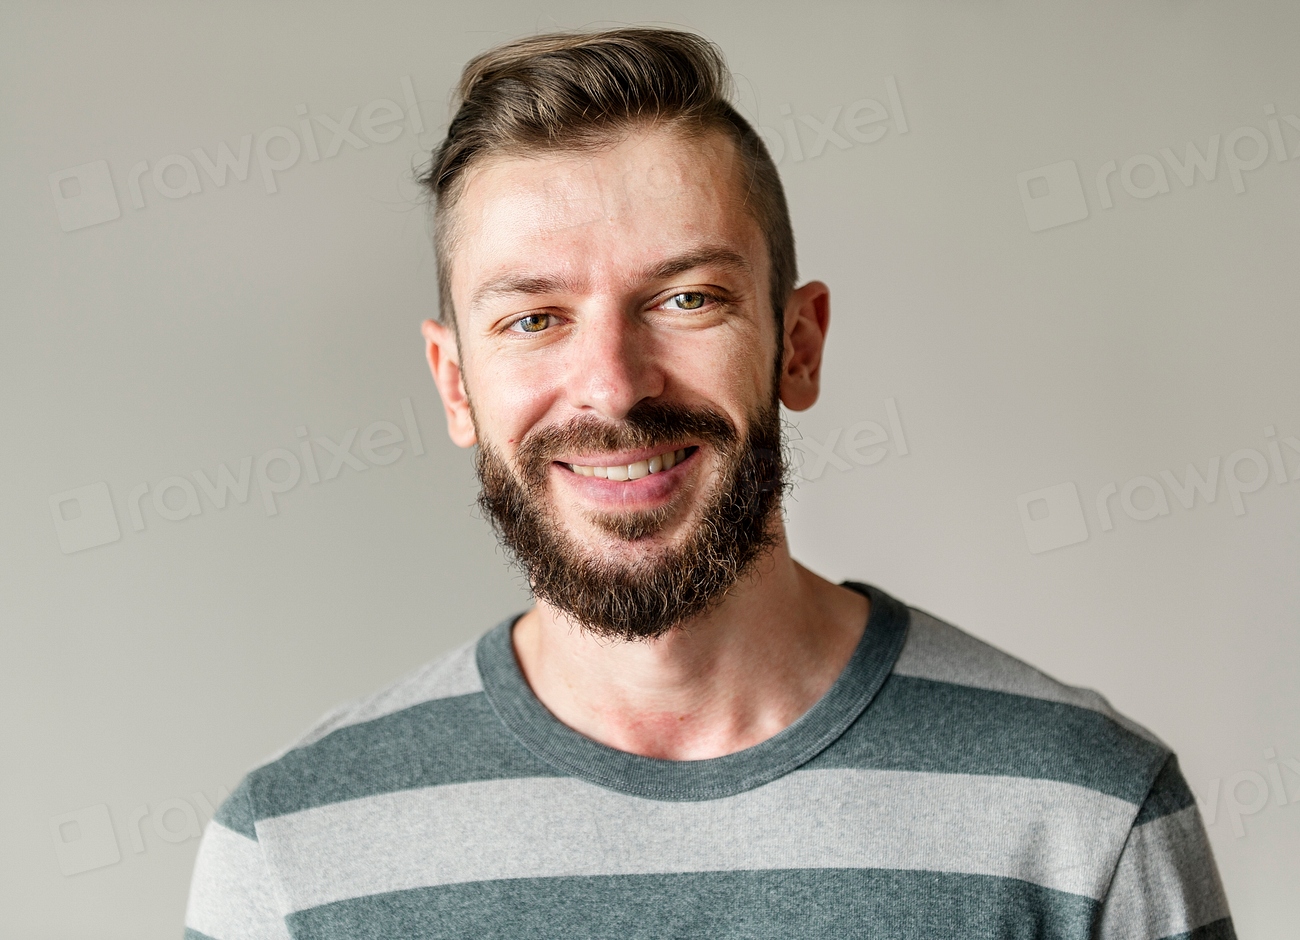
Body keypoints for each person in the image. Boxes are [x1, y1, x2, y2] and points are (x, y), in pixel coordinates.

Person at [184, 28, 1234, 940]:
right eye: (533, 318)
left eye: (686, 299)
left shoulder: (1084, 812)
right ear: (455, 383)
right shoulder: (289, 850)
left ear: (799, 344)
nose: (612, 388)